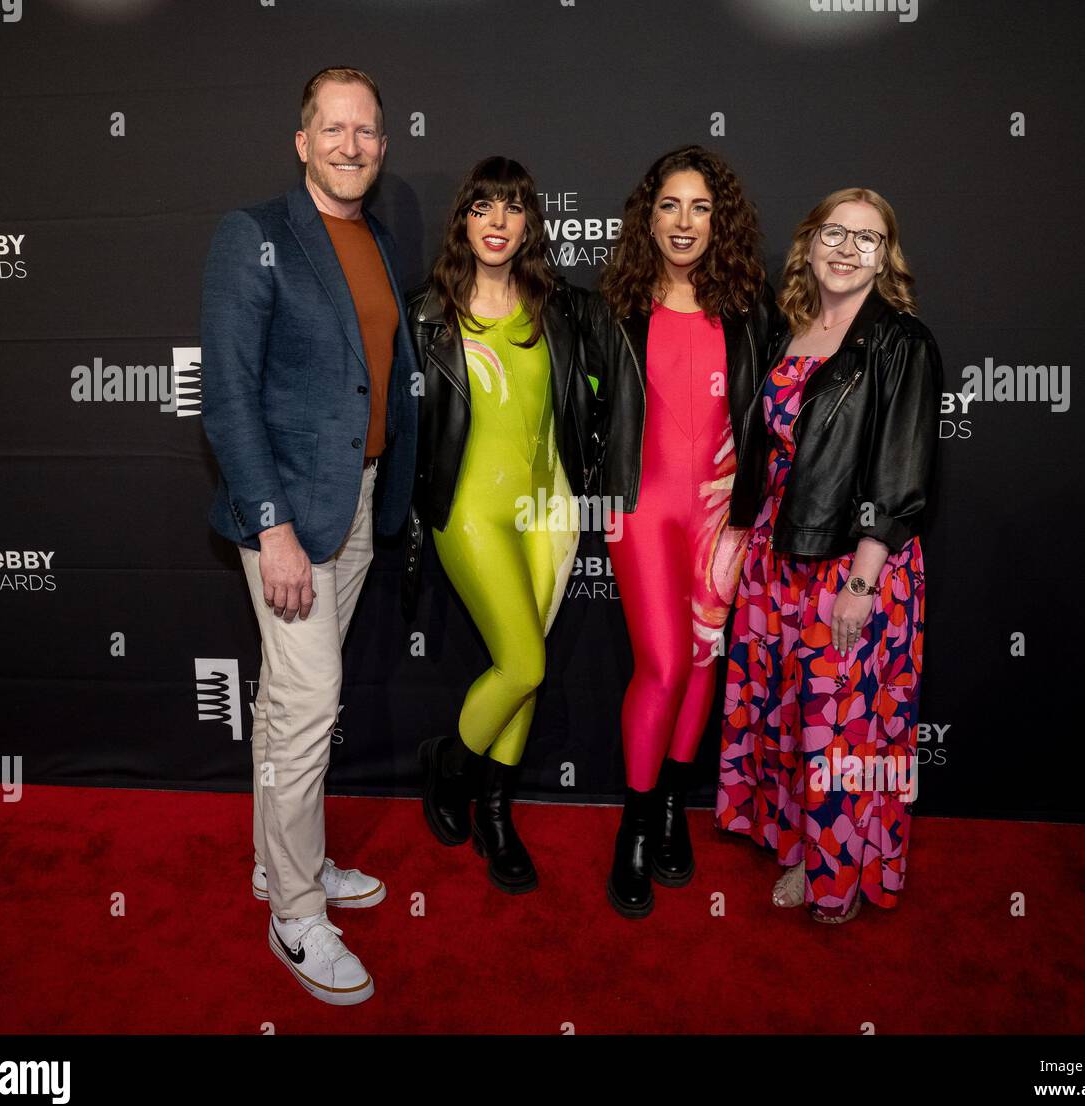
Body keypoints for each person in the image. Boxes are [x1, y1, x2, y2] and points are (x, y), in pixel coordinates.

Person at [200, 67, 418, 1002]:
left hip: (359, 504)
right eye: (334, 128)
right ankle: (294, 913)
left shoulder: (369, 237)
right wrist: (273, 529)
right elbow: (227, 401)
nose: (351, 144)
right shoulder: (255, 235)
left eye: (366, 130)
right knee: (306, 703)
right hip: (288, 517)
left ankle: (282, 860)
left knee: (289, 710)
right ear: (303, 141)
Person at [720, 187, 942, 924]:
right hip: (779, 556)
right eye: (835, 233)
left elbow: (899, 472)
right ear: (808, 244)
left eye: (868, 239)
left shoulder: (901, 341)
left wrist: (861, 580)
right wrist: (740, 536)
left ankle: (836, 872)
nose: (847, 249)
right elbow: (767, 452)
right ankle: (797, 841)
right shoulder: (794, 331)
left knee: (841, 725)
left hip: (849, 564)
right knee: (792, 716)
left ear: (887, 258)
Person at [584, 145, 779, 918]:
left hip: (724, 513)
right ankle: (635, 826)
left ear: (719, 219)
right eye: (670, 205)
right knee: (663, 664)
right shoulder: (615, 309)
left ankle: (672, 806)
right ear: (648, 215)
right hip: (641, 508)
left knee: (703, 661)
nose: (684, 222)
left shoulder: (749, 311)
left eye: (701, 207)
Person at [406, 156, 594, 894]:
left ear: (530, 224)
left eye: (512, 208)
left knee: (526, 667)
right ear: (464, 220)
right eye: (482, 207)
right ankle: (447, 765)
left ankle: (494, 810)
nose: (497, 222)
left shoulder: (560, 307)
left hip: (547, 509)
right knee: (525, 663)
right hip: (468, 510)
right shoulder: (429, 313)